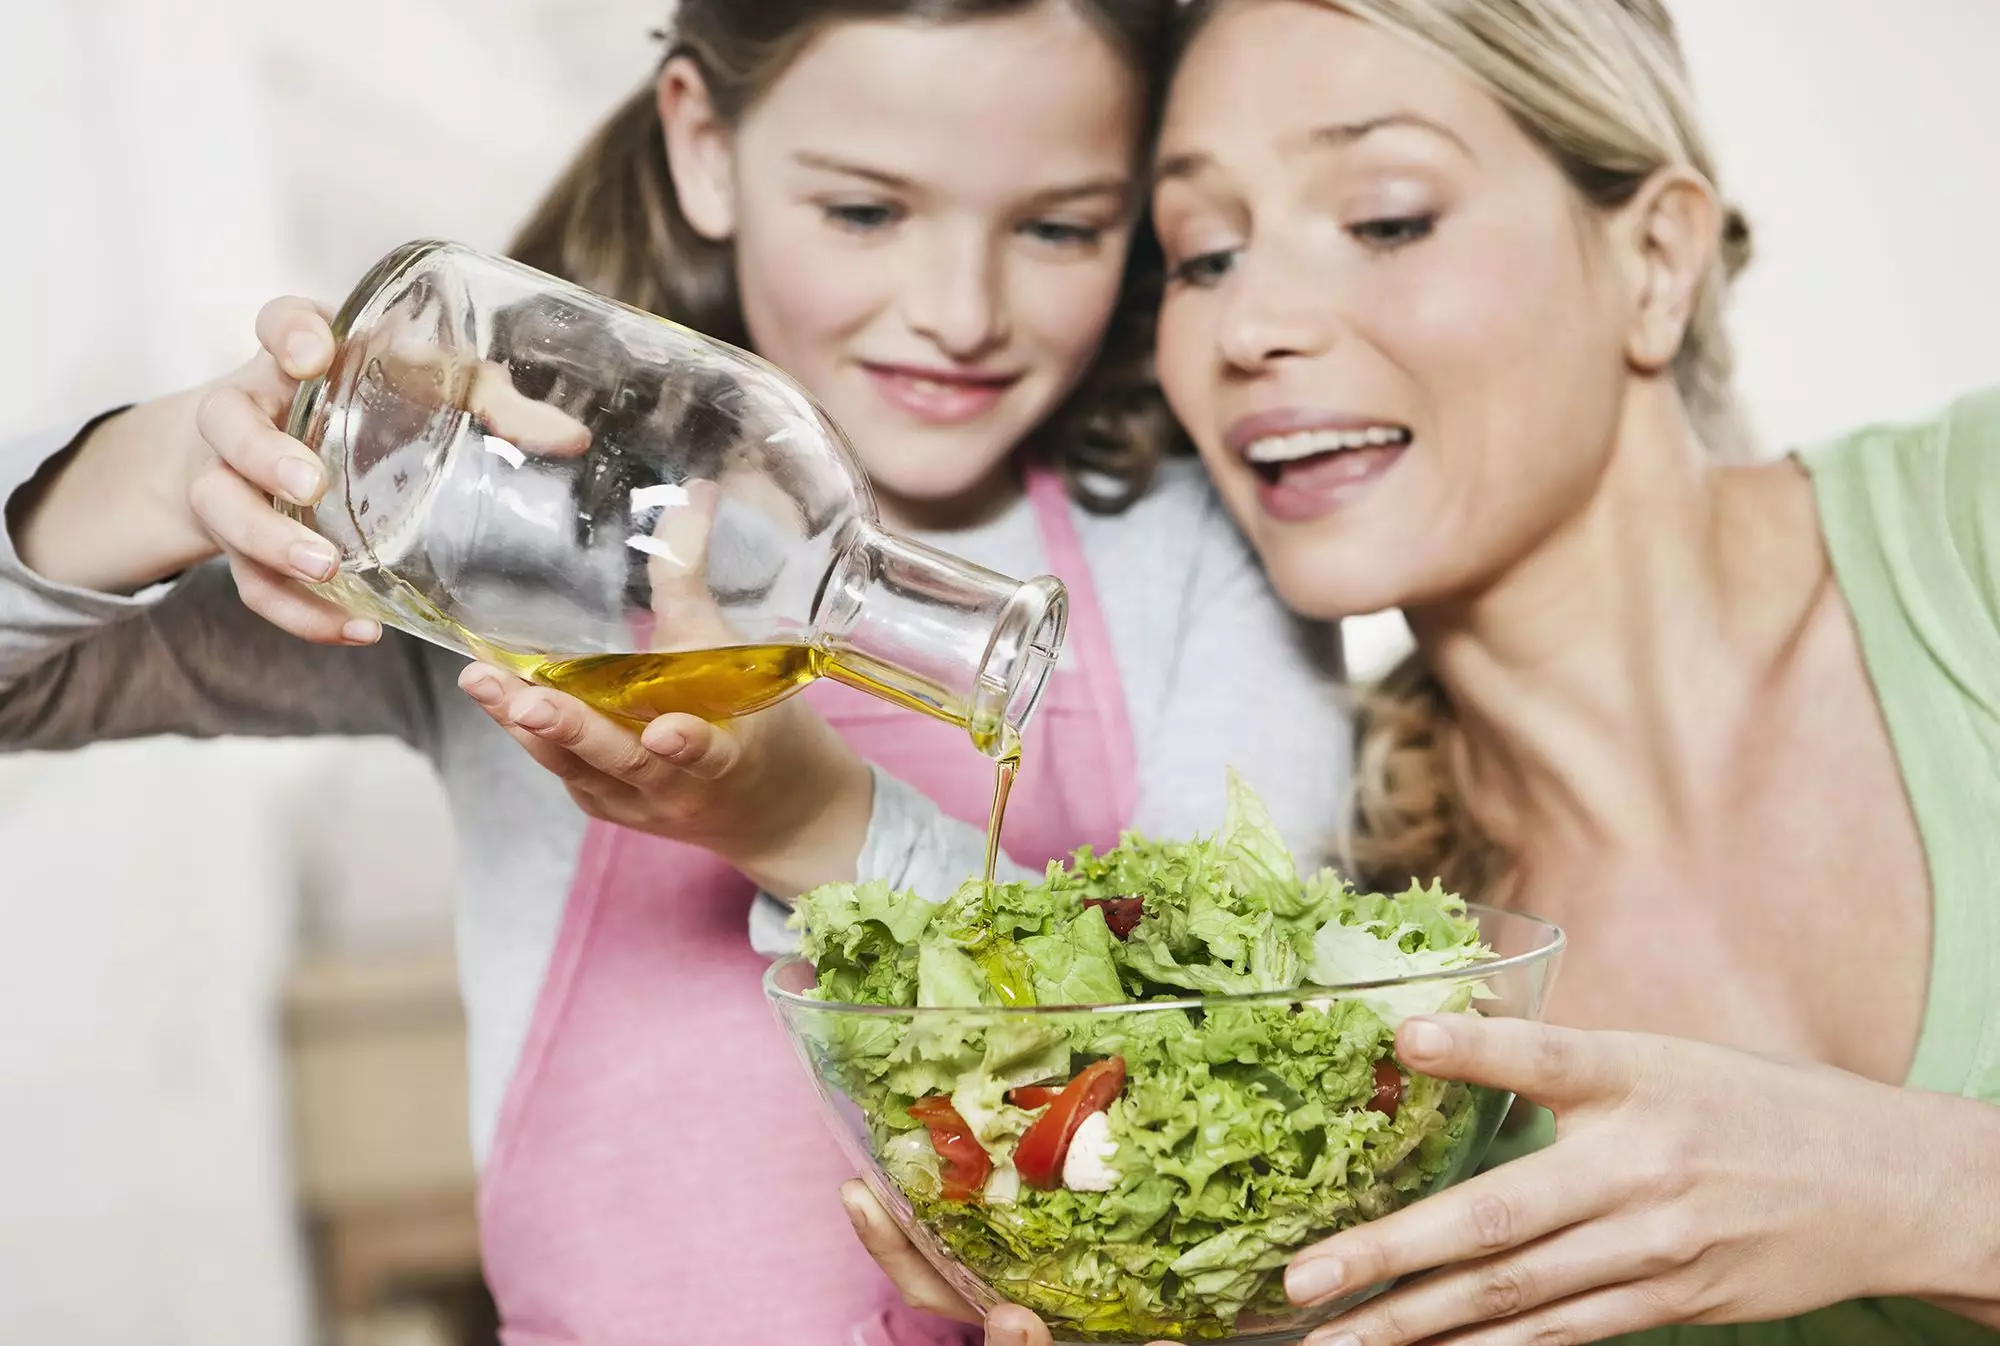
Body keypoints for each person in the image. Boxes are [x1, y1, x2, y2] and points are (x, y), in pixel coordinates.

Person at [0, 2, 1350, 1341]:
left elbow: (1223, 1078)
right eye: (866, 212)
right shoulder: (512, 527)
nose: (960, 312)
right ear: (704, 145)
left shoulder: (1198, 555)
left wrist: (811, 824)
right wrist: (165, 467)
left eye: (1058, 225)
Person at [853, 0, 2000, 1342]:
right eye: (1202, 256)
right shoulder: (1343, 1007)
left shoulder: (1970, 532)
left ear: (1655, 259)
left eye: (1387, 218)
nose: (1249, 329)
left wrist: (1913, 1188)